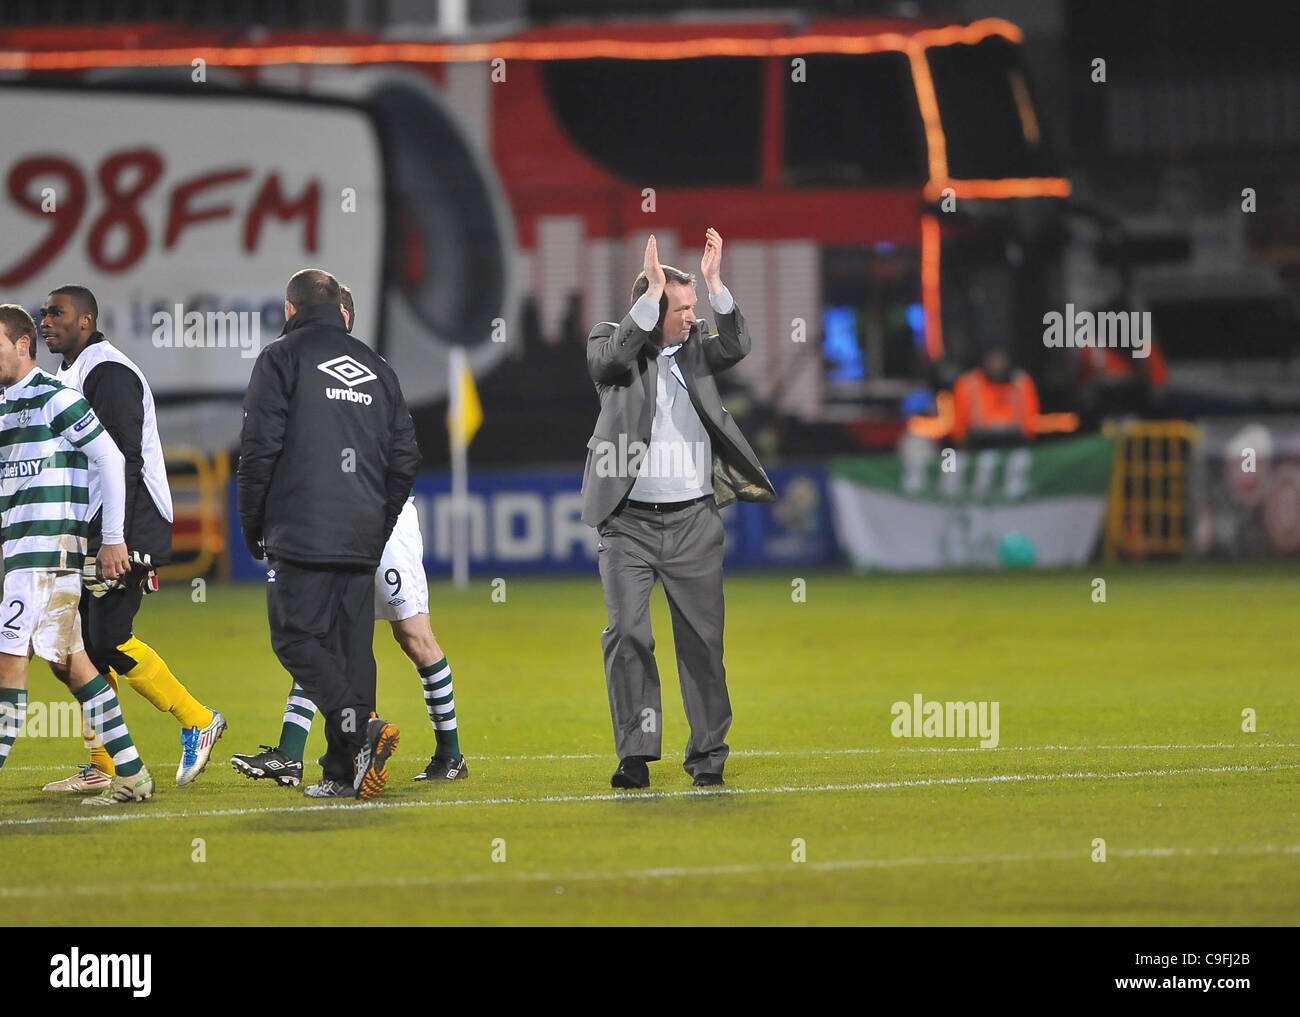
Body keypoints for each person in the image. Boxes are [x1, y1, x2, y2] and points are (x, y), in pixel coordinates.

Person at [230, 284, 465, 787]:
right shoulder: (376, 368)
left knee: (343, 636)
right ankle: (335, 765)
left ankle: (424, 745)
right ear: (342, 315)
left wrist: (254, 522)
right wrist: (374, 524)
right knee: (344, 645)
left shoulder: (283, 358)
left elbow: (259, 449)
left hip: (328, 525)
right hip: (365, 525)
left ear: (290, 309)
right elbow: (406, 455)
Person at [582, 229, 775, 790]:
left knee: (702, 644)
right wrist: (649, 294)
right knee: (627, 634)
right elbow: (609, 360)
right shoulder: (611, 344)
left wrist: (714, 286)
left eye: (694, 308)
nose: (693, 318)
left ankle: (708, 755)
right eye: (683, 308)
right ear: (653, 309)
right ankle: (636, 754)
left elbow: (736, 344)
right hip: (628, 527)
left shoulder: (698, 351)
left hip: (694, 521)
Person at [37, 285, 225, 792]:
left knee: (107, 638)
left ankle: (197, 719)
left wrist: (117, 538)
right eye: (44, 313)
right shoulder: (71, 373)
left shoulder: (108, 371)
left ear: (86, 320)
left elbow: (122, 461)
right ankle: (103, 764)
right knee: (79, 648)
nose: (46, 320)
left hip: (127, 523)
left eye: (58, 313)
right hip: (95, 525)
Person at [0, 304, 154, 805]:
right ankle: (133, 775)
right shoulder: (4, 405)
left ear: (22, 344)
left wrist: (114, 537)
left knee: (8, 667)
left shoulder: (56, 396)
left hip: (44, 556)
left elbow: (109, 455)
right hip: (20, 555)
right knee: (72, 666)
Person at [950, 348, 1041, 447]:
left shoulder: (1021, 382)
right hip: (977, 446)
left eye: (1000, 359)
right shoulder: (968, 383)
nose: (997, 365)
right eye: (992, 360)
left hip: (1015, 444)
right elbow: (958, 430)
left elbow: (1031, 425)